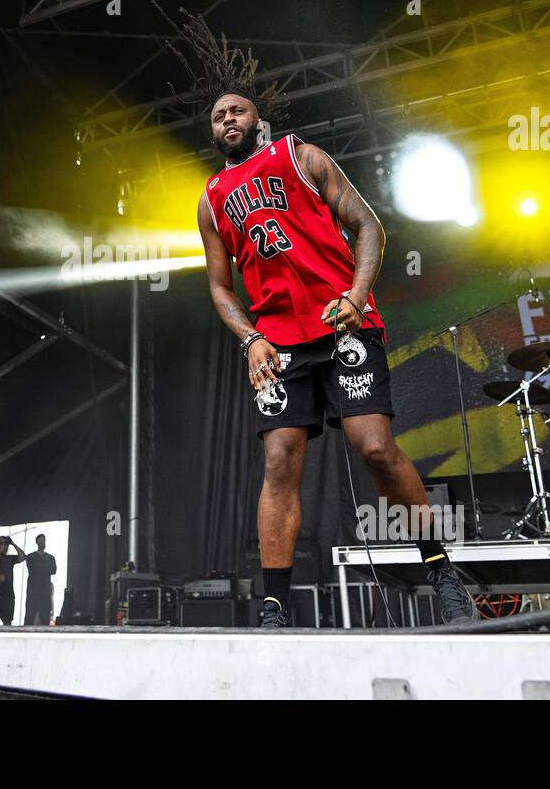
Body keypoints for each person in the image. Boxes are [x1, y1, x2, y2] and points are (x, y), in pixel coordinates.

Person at [197, 91, 475, 627]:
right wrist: (250, 339)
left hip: (342, 318)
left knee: (373, 447)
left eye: (237, 110)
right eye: (217, 116)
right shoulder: (211, 198)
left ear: (259, 120)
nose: (227, 119)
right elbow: (219, 287)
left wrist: (356, 294)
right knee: (279, 462)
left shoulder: (302, 157)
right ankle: (275, 604)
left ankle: (440, 568)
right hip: (277, 340)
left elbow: (369, 226)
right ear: (211, 133)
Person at [24, 534, 57, 626]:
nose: (43, 542)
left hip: (45, 590)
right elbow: (32, 569)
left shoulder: (50, 557)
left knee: (45, 615)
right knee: (30, 615)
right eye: (41, 540)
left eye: (44, 540)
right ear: (37, 542)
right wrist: (44, 568)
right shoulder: (31, 556)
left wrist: (40, 567)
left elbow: (53, 570)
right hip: (33, 590)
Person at [0, 536, 25, 625]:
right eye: (2, 544)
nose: (4, 547)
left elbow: (22, 556)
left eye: (6, 545)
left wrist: (13, 543)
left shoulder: (9, 559)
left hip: (7, 595)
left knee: (7, 623)